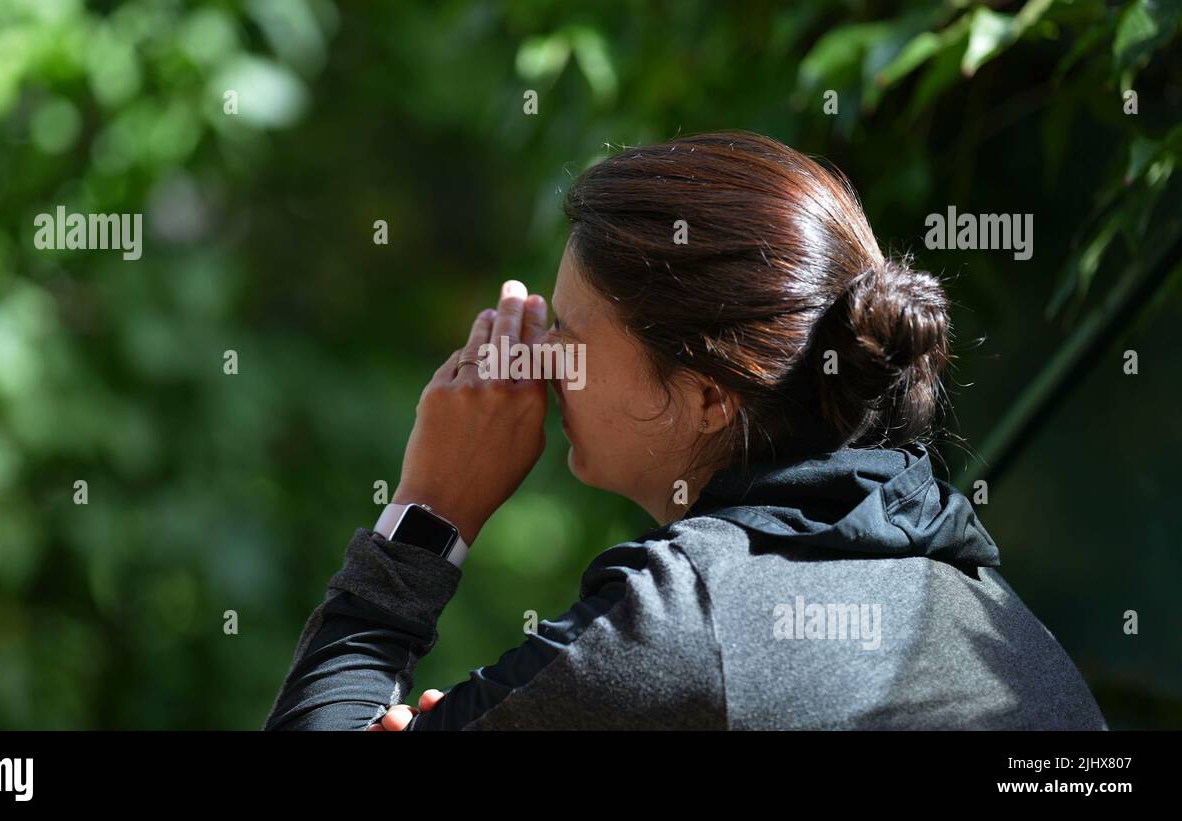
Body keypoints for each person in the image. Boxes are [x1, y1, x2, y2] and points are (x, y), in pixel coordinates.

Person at [263, 130, 1108, 731]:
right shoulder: (991, 610)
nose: (544, 362)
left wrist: (428, 515)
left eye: (572, 335)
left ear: (708, 397)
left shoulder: (683, 624)